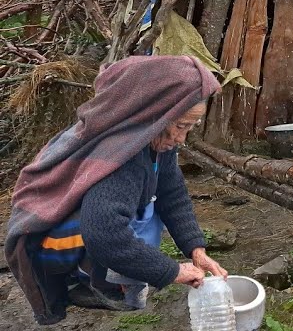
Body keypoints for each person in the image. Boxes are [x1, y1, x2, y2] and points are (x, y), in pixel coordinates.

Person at [5, 55, 230, 326]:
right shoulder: (120, 157)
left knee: (150, 203)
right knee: (117, 224)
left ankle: (106, 276)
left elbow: (172, 192)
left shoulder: (157, 137)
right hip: (49, 241)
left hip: (94, 221)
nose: (181, 138)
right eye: (181, 126)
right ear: (155, 113)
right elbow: (105, 234)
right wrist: (170, 271)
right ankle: (89, 279)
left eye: (190, 128)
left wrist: (195, 248)